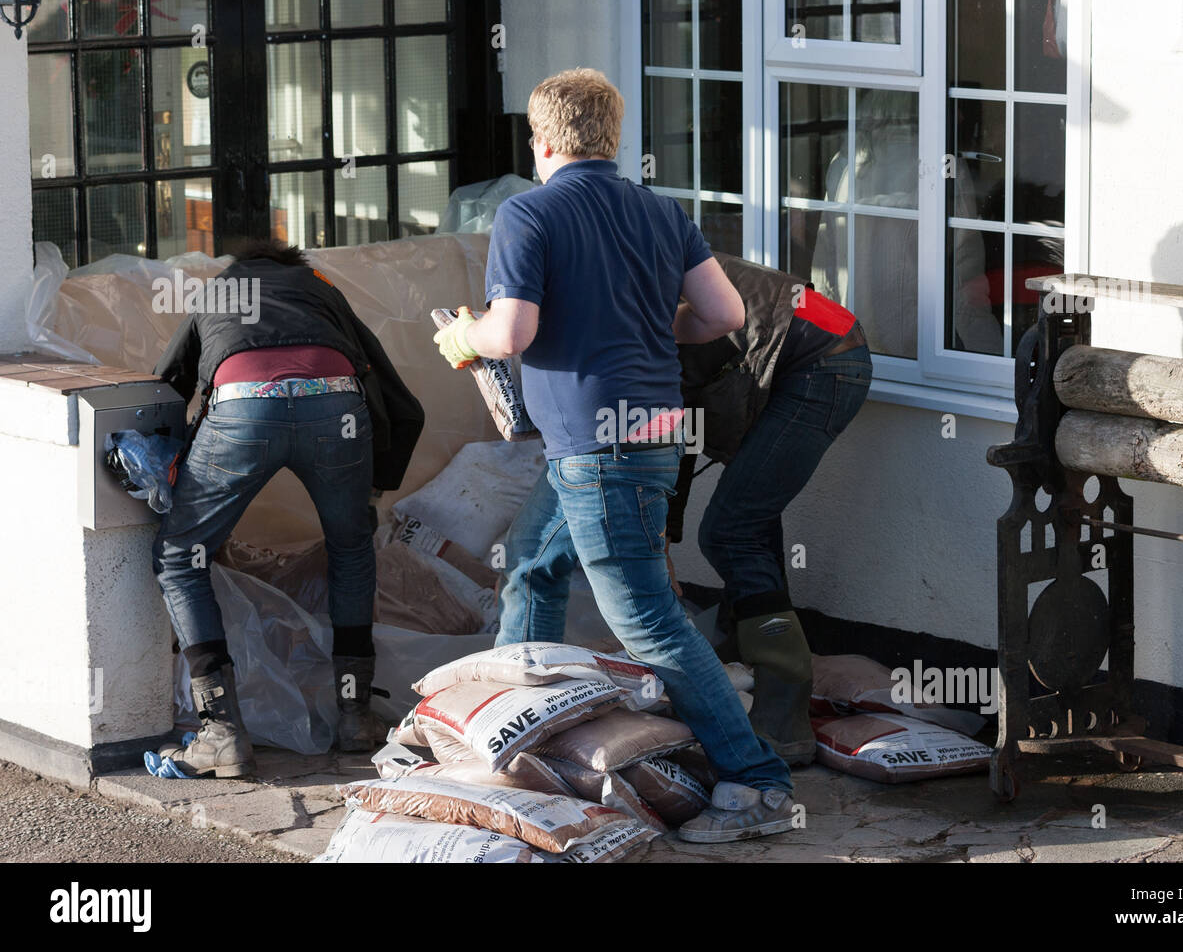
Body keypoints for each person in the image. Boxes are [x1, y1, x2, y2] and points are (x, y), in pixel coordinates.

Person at [432, 68, 795, 843]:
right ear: (613, 137)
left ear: (546, 140)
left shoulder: (528, 215)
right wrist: (649, 330)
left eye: (533, 139)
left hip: (601, 451)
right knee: (530, 562)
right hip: (640, 438)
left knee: (649, 624)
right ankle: (507, 742)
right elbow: (723, 313)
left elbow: (512, 334)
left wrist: (461, 337)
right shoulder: (662, 212)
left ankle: (758, 781)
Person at [148, 237, 424, 778]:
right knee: (350, 547)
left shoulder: (219, 288)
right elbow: (394, 392)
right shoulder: (320, 288)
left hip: (241, 413)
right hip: (337, 410)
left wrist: (158, 459)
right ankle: (355, 716)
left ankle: (221, 732)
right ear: (295, 266)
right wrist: (374, 487)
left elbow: (169, 383)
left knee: (182, 557)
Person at [667, 253, 873, 766]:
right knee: (748, 520)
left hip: (823, 355)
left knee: (728, 532)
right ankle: (748, 671)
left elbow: (669, 433)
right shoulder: (621, 272)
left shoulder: (615, 310)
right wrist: (664, 538)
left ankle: (783, 717)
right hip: (796, 347)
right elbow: (680, 432)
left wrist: (658, 543)